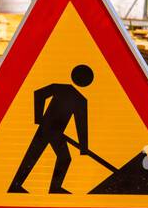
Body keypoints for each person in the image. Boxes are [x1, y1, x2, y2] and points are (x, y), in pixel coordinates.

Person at [8, 64, 94, 195]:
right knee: (40, 156)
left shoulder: (68, 92)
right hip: (48, 129)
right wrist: (38, 118)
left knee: (40, 156)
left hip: (54, 131)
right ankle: (50, 188)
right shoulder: (79, 98)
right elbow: (81, 125)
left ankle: (24, 186)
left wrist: (84, 147)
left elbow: (81, 124)